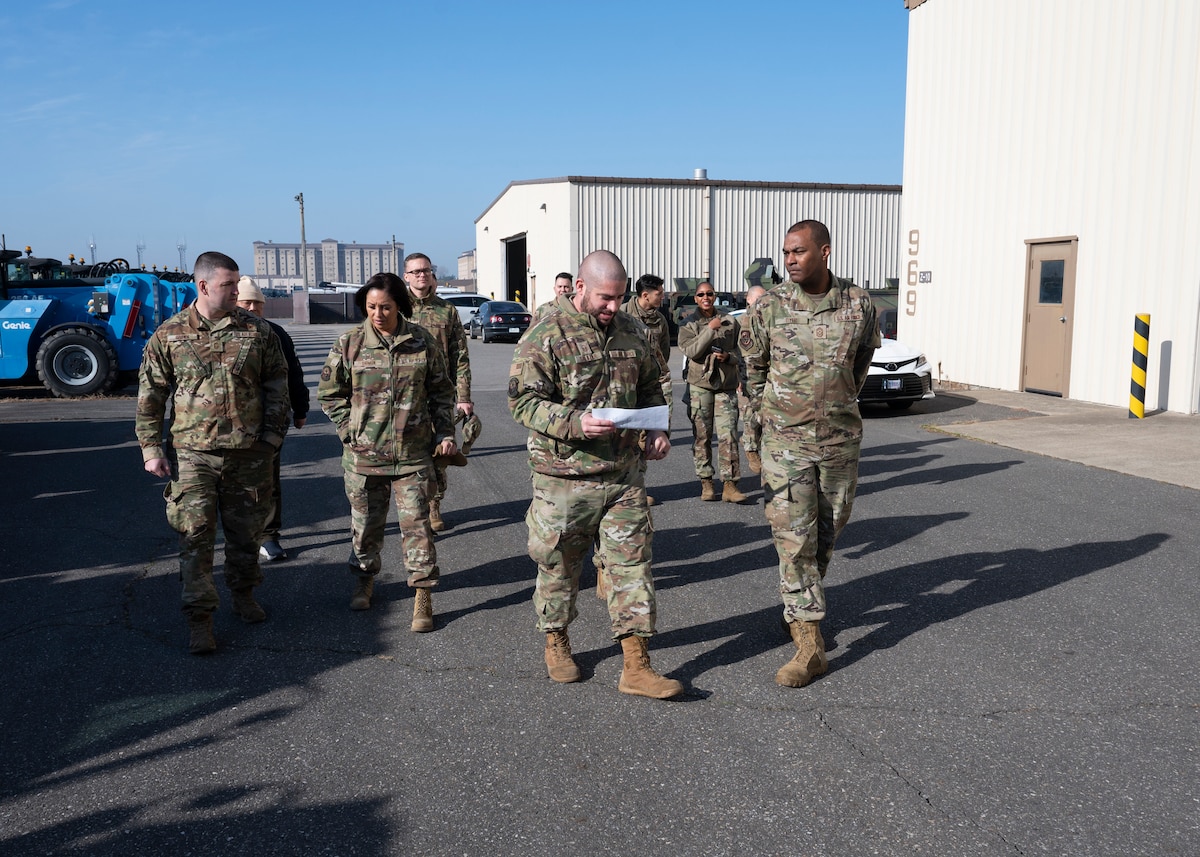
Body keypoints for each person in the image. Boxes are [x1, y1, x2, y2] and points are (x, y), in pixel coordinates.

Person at [509, 250, 682, 700]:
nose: (613, 307)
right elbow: (522, 401)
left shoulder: (631, 328)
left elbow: (650, 386)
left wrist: (656, 429)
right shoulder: (545, 334)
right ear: (581, 287)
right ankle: (557, 641)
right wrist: (574, 423)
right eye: (606, 298)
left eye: (620, 298)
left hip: (623, 476)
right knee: (560, 567)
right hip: (565, 477)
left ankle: (636, 665)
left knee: (631, 567)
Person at [739, 220, 879, 688]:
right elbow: (753, 372)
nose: (790, 260)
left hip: (839, 440)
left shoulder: (858, 305)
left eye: (798, 252)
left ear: (825, 251)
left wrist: (836, 404)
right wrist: (756, 433)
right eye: (785, 253)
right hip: (786, 442)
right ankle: (809, 641)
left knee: (826, 531)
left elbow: (858, 366)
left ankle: (800, 605)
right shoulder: (770, 308)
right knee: (794, 538)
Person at [136, 252, 290, 655]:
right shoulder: (169, 335)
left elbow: (277, 384)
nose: (237, 291)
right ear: (203, 286)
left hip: (248, 455)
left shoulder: (257, 331)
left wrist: (273, 439)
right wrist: (151, 448)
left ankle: (243, 596)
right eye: (228, 284)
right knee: (195, 537)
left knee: (246, 536)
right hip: (193, 456)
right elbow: (151, 395)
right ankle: (200, 618)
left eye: (237, 283)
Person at [317, 273, 457, 630]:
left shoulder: (421, 342)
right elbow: (330, 394)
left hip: (412, 456)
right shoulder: (349, 343)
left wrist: (444, 432)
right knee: (365, 528)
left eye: (385, 307)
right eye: (371, 307)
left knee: (417, 527)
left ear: (400, 306)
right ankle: (365, 578)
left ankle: (422, 593)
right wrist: (350, 431)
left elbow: (442, 391)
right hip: (364, 457)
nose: (378, 314)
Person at [235, 276, 310, 561]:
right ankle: (239, 535)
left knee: (267, 480)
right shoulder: (221, 334)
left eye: (258, 302)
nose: (253, 307)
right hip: (227, 424)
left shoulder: (276, 333)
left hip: (269, 421)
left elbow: (294, 373)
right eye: (246, 301)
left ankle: (268, 535)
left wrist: (301, 409)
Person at [402, 252, 473, 533]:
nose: (422, 275)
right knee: (409, 453)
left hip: (439, 395)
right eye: (416, 271)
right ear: (406, 276)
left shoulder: (447, 311)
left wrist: (464, 397)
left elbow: (461, 357)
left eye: (427, 271)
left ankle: (434, 504)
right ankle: (413, 509)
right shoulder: (396, 308)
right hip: (406, 395)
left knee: (440, 452)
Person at [678, 281, 748, 503]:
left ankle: (730, 484)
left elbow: (742, 352)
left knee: (729, 435)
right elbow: (692, 351)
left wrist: (729, 358)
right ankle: (706, 482)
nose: (706, 297)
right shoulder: (689, 324)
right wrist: (709, 329)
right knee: (702, 436)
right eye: (701, 294)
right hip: (700, 385)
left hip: (725, 386)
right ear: (696, 298)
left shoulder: (730, 321)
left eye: (709, 293)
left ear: (715, 296)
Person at [619, 273, 672, 506]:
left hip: (650, 383)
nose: (663, 297)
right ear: (645, 295)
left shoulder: (660, 320)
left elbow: (663, 354)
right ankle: (626, 489)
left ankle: (639, 487)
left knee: (646, 437)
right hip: (626, 384)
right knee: (627, 439)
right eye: (659, 294)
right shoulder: (622, 315)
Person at [738, 284, 768, 474]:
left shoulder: (768, 321)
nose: (762, 303)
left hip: (766, 378)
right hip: (745, 378)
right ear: (748, 300)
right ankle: (751, 451)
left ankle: (763, 451)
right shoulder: (740, 322)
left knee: (764, 417)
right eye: (758, 299)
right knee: (749, 417)